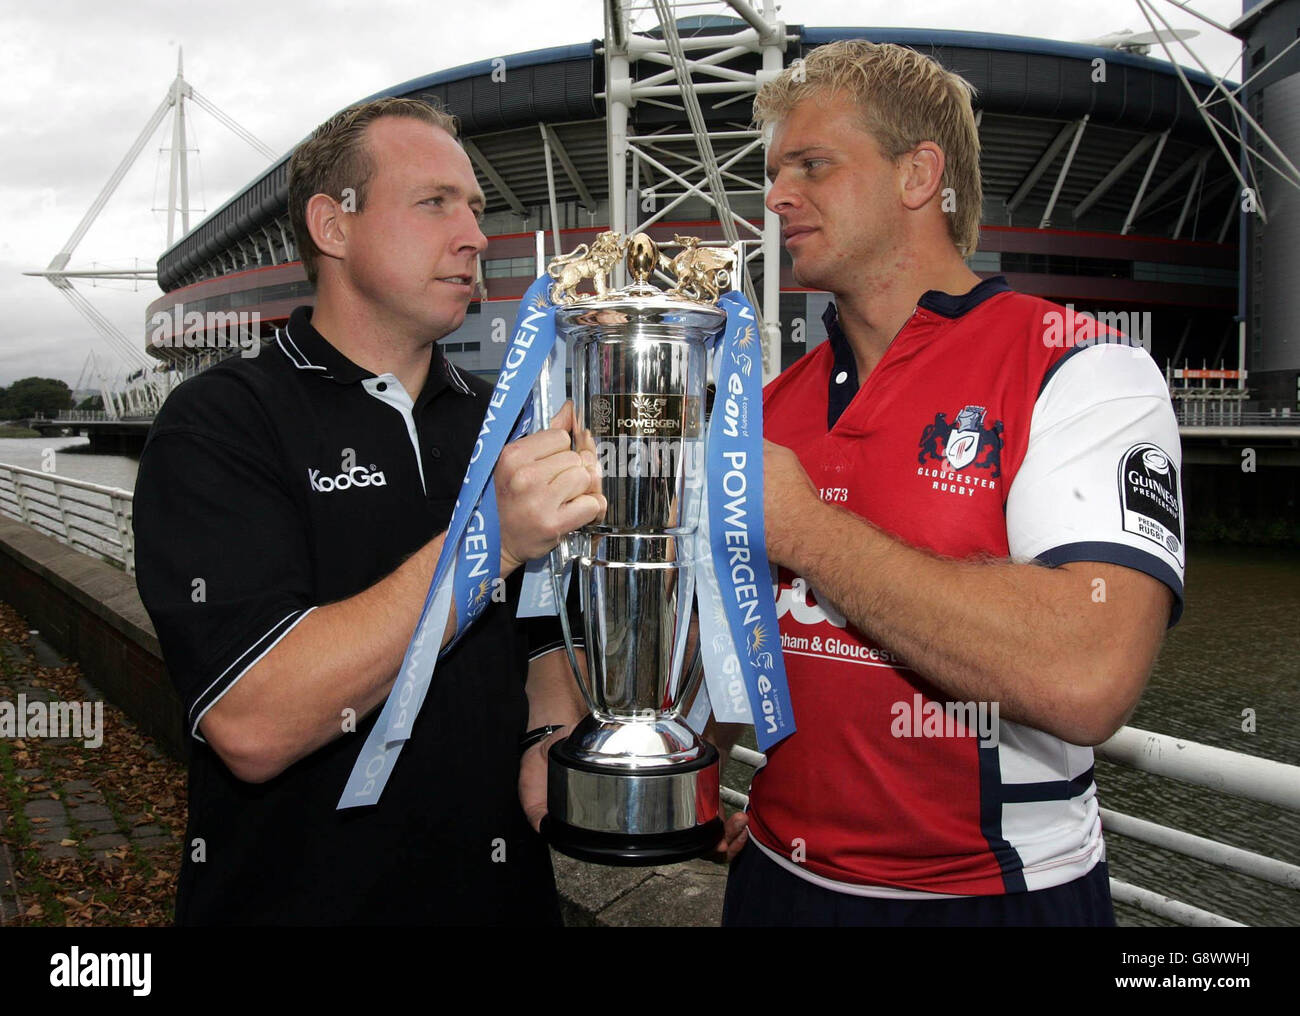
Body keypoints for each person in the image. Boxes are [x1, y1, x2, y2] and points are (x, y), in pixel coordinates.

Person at [716, 40, 1185, 926]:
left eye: (812, 165)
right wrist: (692, 770)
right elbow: (743, 644)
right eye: (776, 172)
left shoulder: (1086, 371)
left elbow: (1088, 674)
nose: (777, 196)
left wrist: (807, 532)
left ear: (918, 174)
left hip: (991, 900)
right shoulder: (770, 405)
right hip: (776, 884)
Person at [132, 97, 603, 925]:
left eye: (477, 208)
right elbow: (253, 719)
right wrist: (487, 541)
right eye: (435, 203)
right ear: (333, 224)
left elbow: (542, 639)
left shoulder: (509, 422)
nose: (475, 235)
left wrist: (546, 735)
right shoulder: (220, 422)